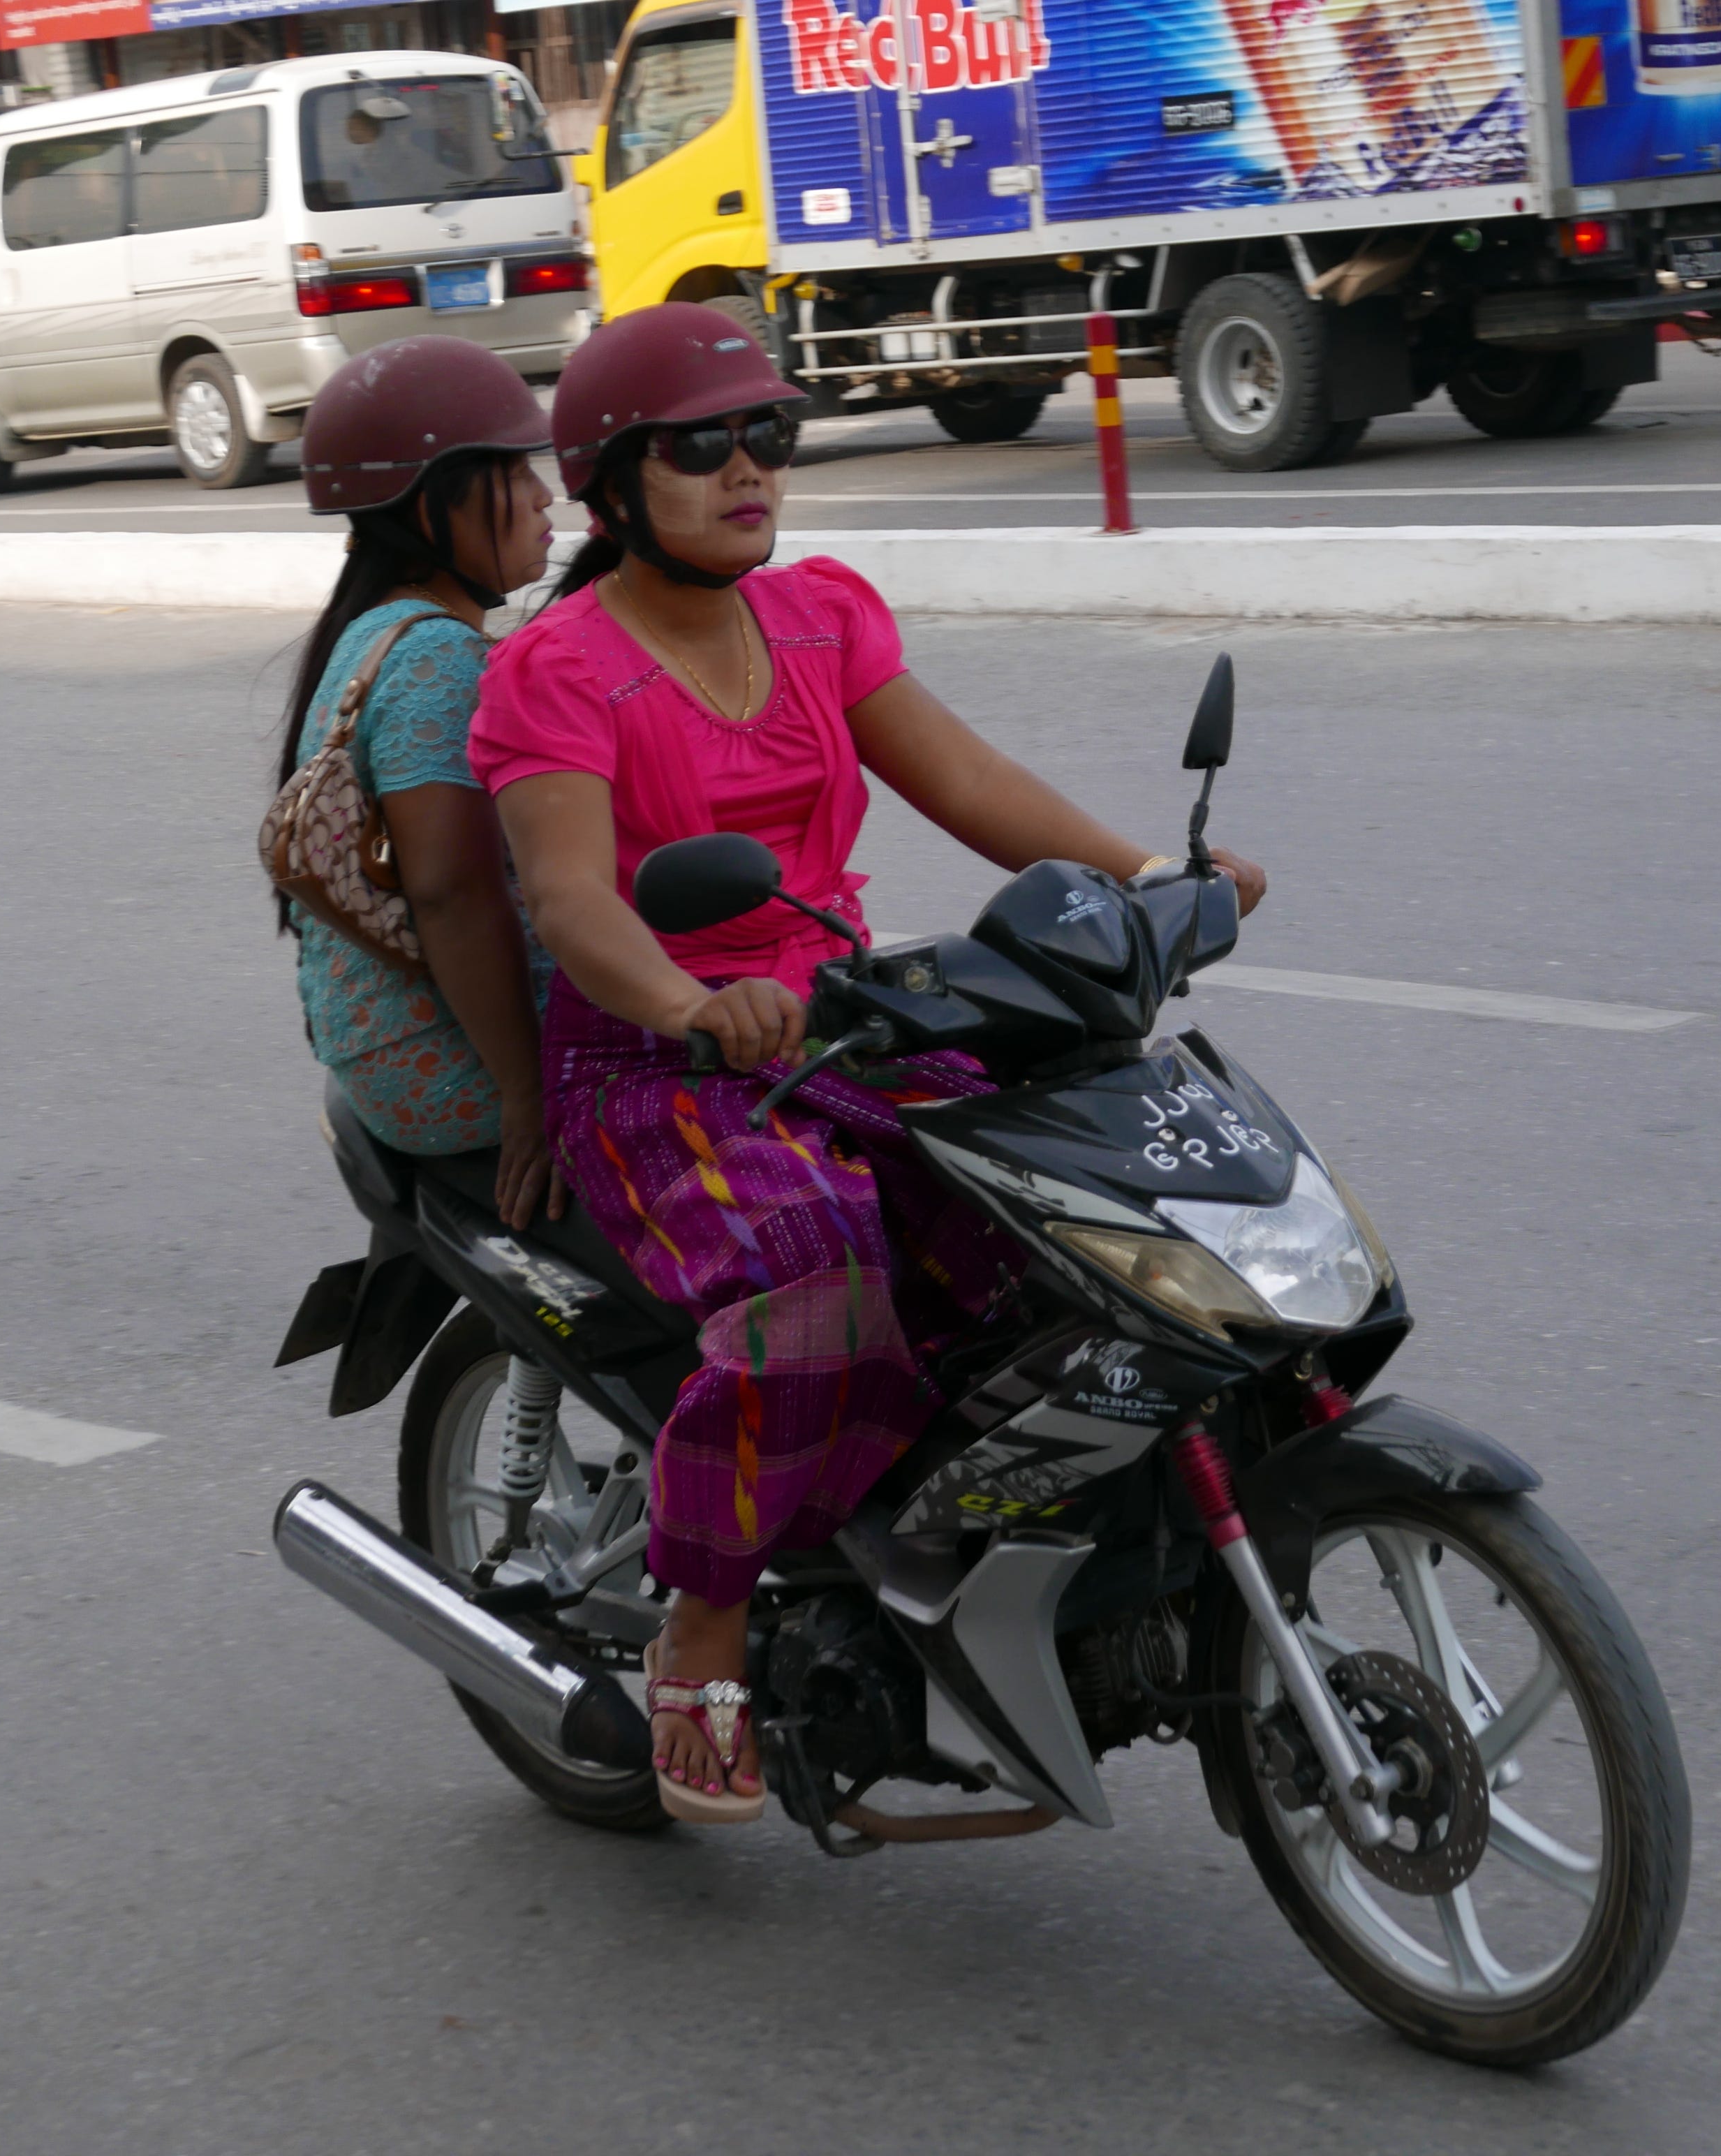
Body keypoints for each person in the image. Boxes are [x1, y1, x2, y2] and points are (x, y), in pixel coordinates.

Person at [468, 304, 1266, 1825]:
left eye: (765, 432)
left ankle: (951, 1567)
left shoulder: (823, 614)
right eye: (699, 446)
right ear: (614, 483)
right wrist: (693, 1005)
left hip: (849, 1027)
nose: (746, 467)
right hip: (659, 1068)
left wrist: (1162, 874)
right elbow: (571, 898)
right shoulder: (562, 669)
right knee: (817, 1292)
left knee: (1079, 1238)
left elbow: (968, 782)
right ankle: (703, 1623)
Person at [278, 335, 563, 1227]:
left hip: (387, 1040)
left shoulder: (373, 628)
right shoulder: (438, 656)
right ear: (435, 502)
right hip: (444, 1058)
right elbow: (452, 894)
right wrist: (528, 1098)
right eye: (513, 473)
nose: (544, 496)